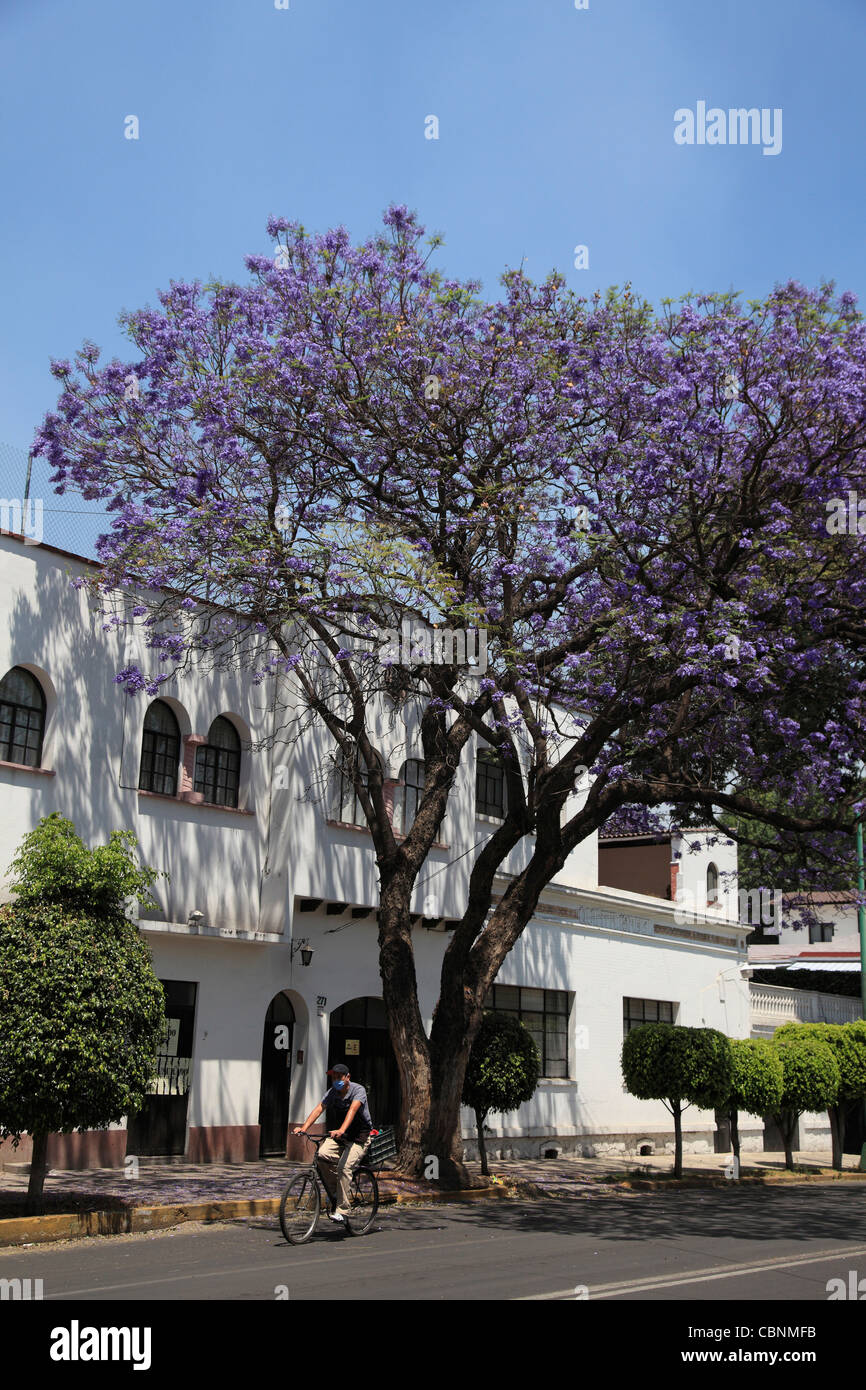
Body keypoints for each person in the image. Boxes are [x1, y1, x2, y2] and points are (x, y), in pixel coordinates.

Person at [293, 1064, 373, 1223]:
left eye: (339, 1077)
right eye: (333, 1077)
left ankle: (343, 1210)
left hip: (360, 1136)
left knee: (344, 1167)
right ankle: (336, 1192)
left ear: (347, 1077)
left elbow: (352, 1111)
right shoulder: (332, 1093)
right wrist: (303, 1128)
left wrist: (342, 1129)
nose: (335, 1080)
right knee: (322, 1155)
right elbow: (319, 1109)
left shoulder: (358, 1090)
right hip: (341, 1135)